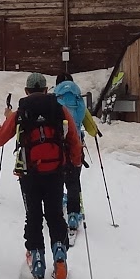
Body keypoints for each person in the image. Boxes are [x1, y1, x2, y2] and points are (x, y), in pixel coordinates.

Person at [0, 71, 84, 279]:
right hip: (55, 172)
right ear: (45, 89)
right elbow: (73, 139)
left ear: (26, 91)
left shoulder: (21, 112)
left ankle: (37, 257)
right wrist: (75, 162)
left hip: (29, 174)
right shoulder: (59, 109)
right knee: (54, 215)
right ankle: (59, 254)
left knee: (33, 215)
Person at [51, 73, 99, 237]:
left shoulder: (53, 100)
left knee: (56, 180)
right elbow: (92, 128)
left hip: (56, 147)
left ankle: (56, 212)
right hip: (75, 147)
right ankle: (73, 215)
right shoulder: (79, 101)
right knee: (73, 181)